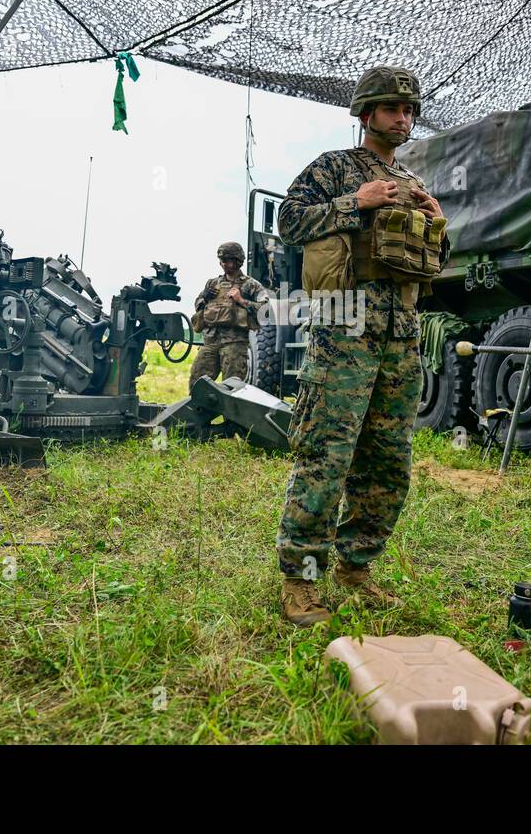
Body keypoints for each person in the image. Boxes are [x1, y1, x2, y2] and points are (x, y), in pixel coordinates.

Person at [275, 65, 449, 626]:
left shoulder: (416, 183)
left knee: (389, 460)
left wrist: (438, 224)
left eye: (410, 111)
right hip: (345, 329)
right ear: (366, 114)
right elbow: (290, 221)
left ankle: (356, 567)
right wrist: (357, 201)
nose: (404, 119)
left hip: (400, 335)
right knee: (328, 454)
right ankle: (301, 579)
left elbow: (431, 263)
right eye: (394, 109)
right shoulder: (334, 168)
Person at [188, 241, 270, 389]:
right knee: (197, 385)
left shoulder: (251, 285)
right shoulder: (213, 283)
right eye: (223, 260)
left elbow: (265, 310)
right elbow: (198, 306)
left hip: (235, 344)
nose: (225, 264)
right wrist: (204, 297)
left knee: (233, 389)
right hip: (210, 342)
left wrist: (241, 300)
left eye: (229, 260)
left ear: (238, 261)